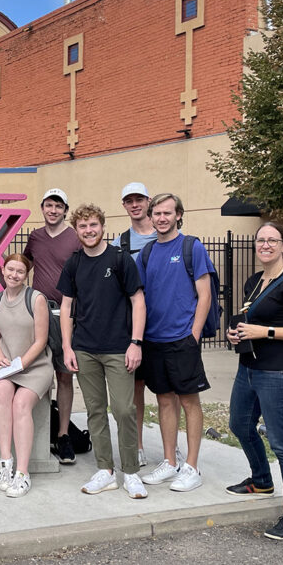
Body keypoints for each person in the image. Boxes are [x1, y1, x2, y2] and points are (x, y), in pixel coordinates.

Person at [227, 222, 283, 540]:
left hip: (278, 373)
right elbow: (250, 319)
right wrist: (238, 332)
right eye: (260, 240)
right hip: (248, 367)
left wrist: (263, 332)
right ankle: (262, 480)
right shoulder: (254, 281)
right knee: (239, 424)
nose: (265, 244)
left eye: (272, 240)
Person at [58, 204, 147, 499]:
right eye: (82, 227)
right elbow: (67, 307)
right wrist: (68, 347)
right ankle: (105, 470)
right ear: (77, 231)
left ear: (102, 226)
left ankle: (131, 472)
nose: (88, 231)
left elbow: (138, 300)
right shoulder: (73, 263)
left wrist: (136, 342)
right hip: (85, 349)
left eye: (93, 225)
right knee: (95, 411)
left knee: (123, 409)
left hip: (119, 349)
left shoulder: (120, 260)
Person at [137, 193, 212, 493]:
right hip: (154, 339)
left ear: (179, 215)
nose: (162, 218)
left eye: (168, 213)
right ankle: (170, 461)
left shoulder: (191, 247)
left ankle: (191, 466)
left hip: (183, 338)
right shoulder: (147, 252)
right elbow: (140, 296)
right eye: (157, 213)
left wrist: (193, 335)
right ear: (151, 216)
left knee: (189, 401)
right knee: (164, 400)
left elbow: (204, 295)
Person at [23, 187, 80, 465]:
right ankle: (42, 429)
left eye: (59, 206)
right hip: (38, 313)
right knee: (38, 374)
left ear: (65, 211)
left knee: (64, 375)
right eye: (49, 205)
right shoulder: (35, 237)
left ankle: (63, 434)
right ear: (42, 208)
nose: (53, 210)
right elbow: (24, 267)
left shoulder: (76, 237)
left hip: (67, 315)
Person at [0, 253, 53, 498]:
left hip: (35, 365)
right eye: (10, 270)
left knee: (21, 403)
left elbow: (41, 340)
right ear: (3, 271)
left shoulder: (36, 299)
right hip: (7, 362)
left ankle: (23, 473)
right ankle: (5, 462)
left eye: (19, 271)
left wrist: (20, 364)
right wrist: (0, 357)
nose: (14, 275)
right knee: (0, 391)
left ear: (26, 275)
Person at [113, 182, 166, 467]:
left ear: (148, 201)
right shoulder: (119, 243)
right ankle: (139, 446)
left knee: (168, 394)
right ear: (124, 205)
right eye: (129, 201)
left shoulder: (167, 237)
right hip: (132, 328)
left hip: (164, 326)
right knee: (134, 392)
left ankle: (171, 450)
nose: (134, 205)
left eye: (139, 199)